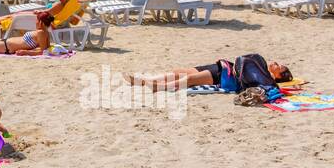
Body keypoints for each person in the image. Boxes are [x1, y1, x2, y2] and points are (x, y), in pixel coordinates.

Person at [125, 54, 293, 92]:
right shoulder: (261, 68)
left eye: (279, 66)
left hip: (225, 75)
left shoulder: (265, 79)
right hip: (222, 66)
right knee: (177, 72)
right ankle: (144, 79)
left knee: (189, 79)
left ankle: (156, 87)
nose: (275, 63)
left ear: (279, 75)